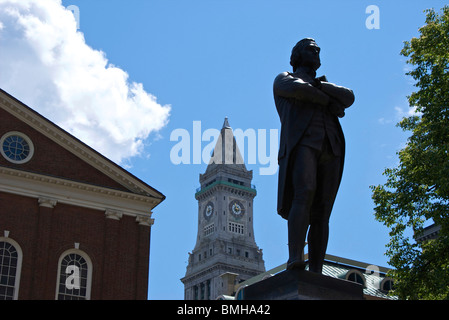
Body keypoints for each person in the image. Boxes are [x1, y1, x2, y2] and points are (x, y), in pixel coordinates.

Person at [273, 38, 355, 273]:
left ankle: (316, 270)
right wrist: (330, 102)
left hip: (332, 146)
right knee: (304, 194)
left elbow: (349, 97)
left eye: (318, 49)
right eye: (311, 49)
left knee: (323, 209)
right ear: (298, 55)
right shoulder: (283, 78)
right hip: (303, 144)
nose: (317, 52)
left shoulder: (322, 84)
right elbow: (298, 89)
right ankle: (295, 257)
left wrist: (321, 89)